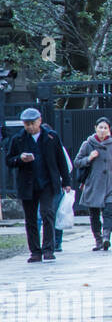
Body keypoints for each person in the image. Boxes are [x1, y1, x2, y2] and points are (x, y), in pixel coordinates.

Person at [5, 108, 73, 262]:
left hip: (47, 182)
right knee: (30, 219)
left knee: (47, 213)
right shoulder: (18, 139)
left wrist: (66, 181)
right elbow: (9, 160)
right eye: (26, 124)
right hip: (27, 183)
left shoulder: (51, 137)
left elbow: (60, 160)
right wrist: (20, 159)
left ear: (39, 121)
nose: (29, 127)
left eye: (32, 123)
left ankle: (49, 248)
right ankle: (35, 251)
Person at [73, 117, 112, 252]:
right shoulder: (87, 144)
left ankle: (106, 237)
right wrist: (89, 158)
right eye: (100, 127)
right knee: (94, 215)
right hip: (93, 184)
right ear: (95, 128)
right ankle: (98, 239)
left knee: (108, 212)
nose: (103, 130)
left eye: (105, 128)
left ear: (109, 130)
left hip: (111, 184)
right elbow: (77, 162)